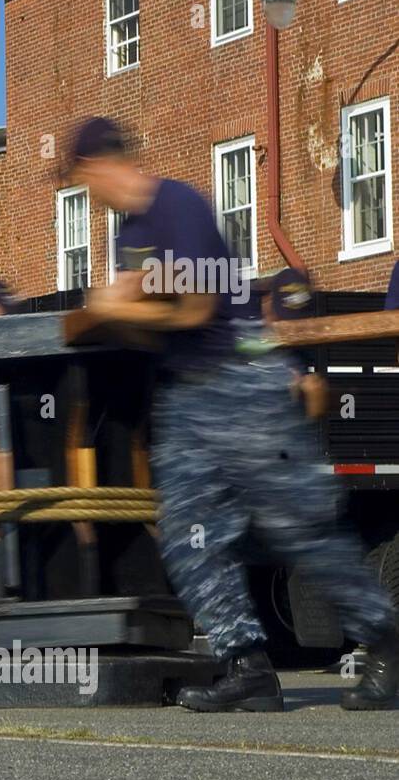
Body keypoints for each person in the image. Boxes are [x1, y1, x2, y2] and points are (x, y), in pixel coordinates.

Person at [70, 116, 398, 712]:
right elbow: (152, 328)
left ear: (99, 165)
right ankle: (246, 665)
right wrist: (117, 311)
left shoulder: (177, 206)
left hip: (245, 384)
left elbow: (195, 311)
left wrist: (119, 306)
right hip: (189, 395)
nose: (85, 190)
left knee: (297, 529)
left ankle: (384, 638)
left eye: (82, 176)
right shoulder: (131, 236)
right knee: (190, 537)